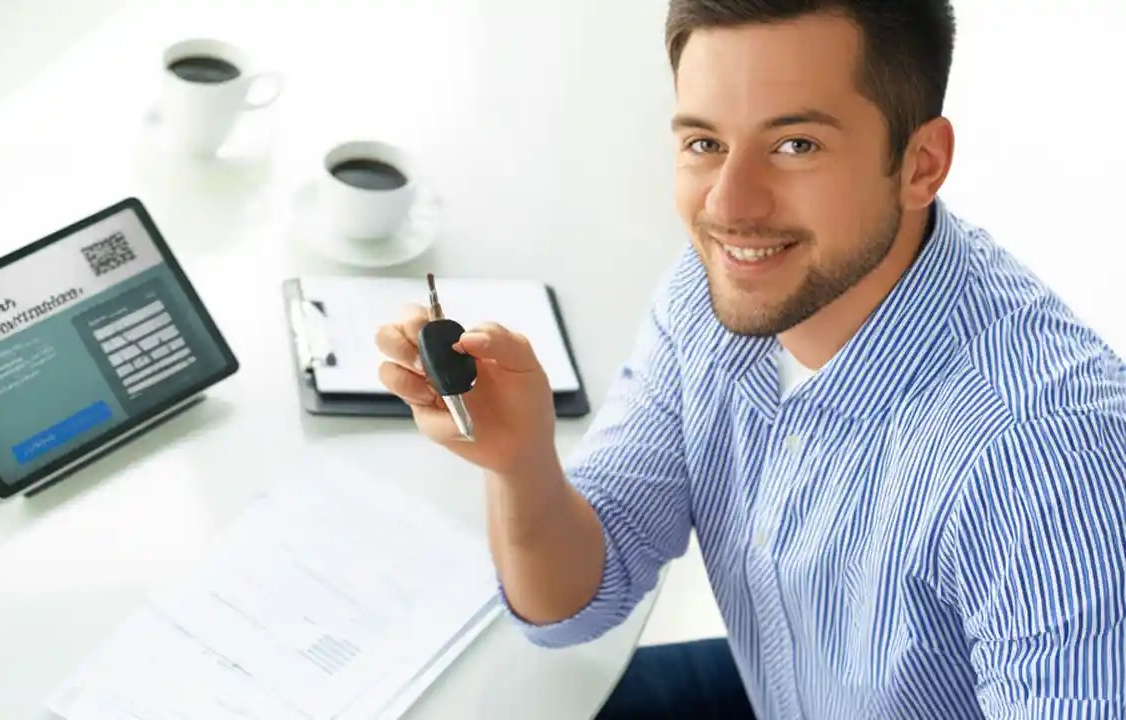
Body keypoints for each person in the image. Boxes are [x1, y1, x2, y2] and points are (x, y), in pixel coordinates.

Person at [374, 0, 1126, 717]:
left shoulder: (1047, 460)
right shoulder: (711, 292)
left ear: (922, 163)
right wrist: (521, 462)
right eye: (705, 143)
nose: (730, 206)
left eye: (795, 145)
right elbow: (572, 605)